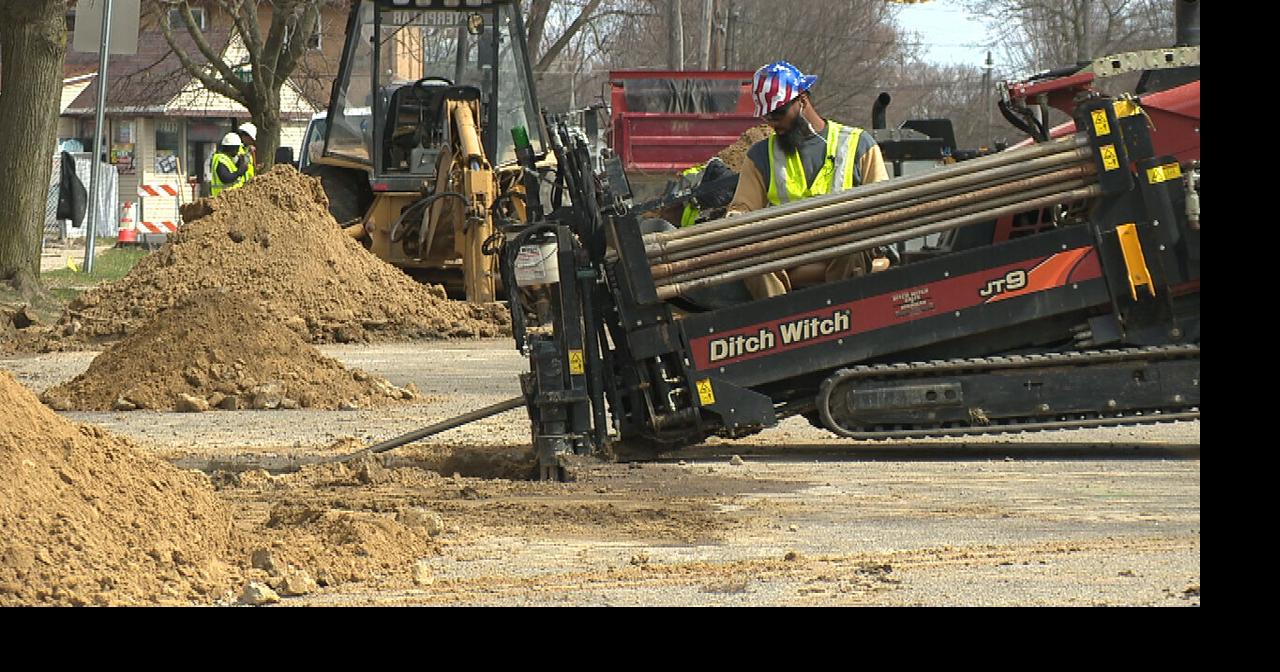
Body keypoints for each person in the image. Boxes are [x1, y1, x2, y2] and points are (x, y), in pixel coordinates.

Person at [726, 61, 890, 299]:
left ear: (802, 101)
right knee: (752, 260)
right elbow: (742, 208)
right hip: (786, 253)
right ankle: (782, 325)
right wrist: (736, 222)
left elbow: (883, 208)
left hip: (842, 246)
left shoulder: (858, 145)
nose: (773, 123)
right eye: (767, 117)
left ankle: (841, 317)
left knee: (854, 244)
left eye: (778, 113)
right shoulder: (760, 157)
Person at [210, 132, 250, 197]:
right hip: (222, 198)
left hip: (230, 198)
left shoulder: (228, 159)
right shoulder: (221, 159)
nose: (237, 151)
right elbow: (225, 178)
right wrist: (239, 172)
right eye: (237, 148)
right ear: (231, 148)